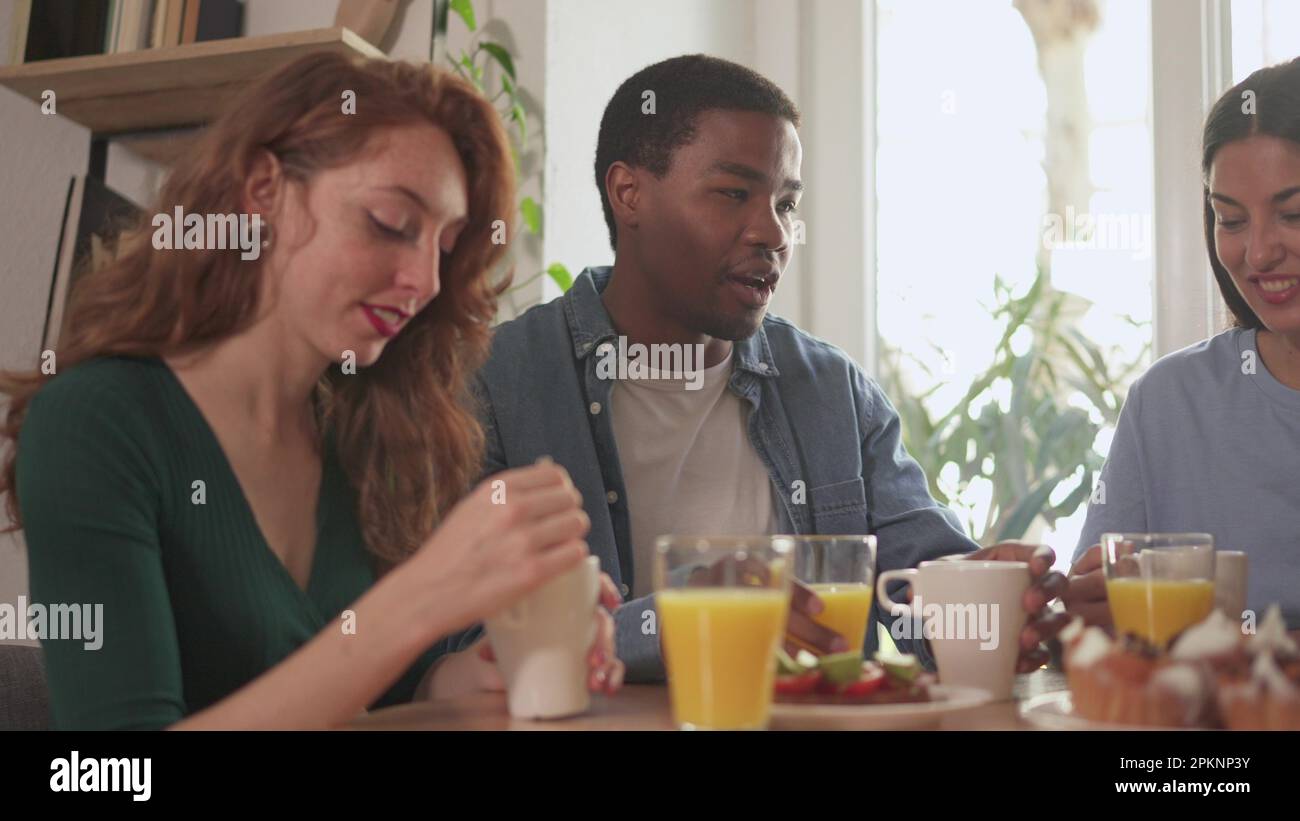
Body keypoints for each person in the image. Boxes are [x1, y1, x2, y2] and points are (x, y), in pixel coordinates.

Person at [0, 52, 622, 729]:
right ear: (263, 190)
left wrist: (474, 674)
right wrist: (420, 599)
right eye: (390, 221)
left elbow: (367, 689)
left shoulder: (358, 429)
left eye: (444, 246)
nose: (425, 280)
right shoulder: (96, 423)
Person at [435, 54, 1068, 682]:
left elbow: (918, 595)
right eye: (734, 194)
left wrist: (986, 609)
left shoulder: (833, 391)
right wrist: (685, 622)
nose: (774, 234)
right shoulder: (495, 385)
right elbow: (456, 648)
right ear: (629, 194)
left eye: (786, 204)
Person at [1067, 57, 1300, 637]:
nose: (1259, 253)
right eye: (1231, 219)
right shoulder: (1168, 403)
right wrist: (1091, 617)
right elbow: (1096, 633)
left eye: (1293, 214)